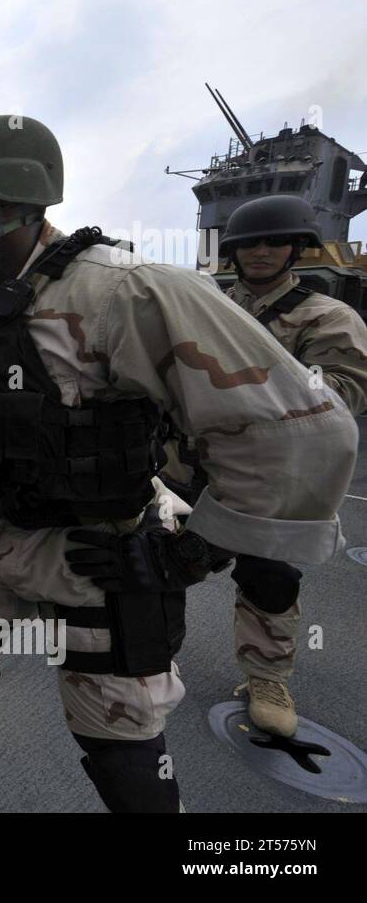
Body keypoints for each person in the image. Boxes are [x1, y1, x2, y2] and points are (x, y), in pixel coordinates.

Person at [0, 115, 358, 812]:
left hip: (92, 556)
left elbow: (300, 426)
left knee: (121, 740)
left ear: (11, 199)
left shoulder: (126, 290)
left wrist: (197, 548)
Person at [162, 194, 367, 737]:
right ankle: (153, 659)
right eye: (248, 243)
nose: (260, 251)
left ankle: (266, 678)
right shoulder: (204, 304)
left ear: (296, 248)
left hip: (272, 477)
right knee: (160, 567)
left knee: (270, 578)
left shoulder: (326, 316)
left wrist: (245, 394)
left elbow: (345, 392)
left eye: (274, 241)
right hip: (189, 470)